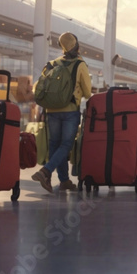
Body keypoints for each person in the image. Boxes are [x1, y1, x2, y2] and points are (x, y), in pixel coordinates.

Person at [31, 33, 92, 193]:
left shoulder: (52, 64)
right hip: (70, 110)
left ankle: (64, 181)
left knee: (55, 145)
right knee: (66, 145)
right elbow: (87, 91)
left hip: (51, 111)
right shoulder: (80, 64)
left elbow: (38, 87)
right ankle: (45, 171)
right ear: (77, 45)